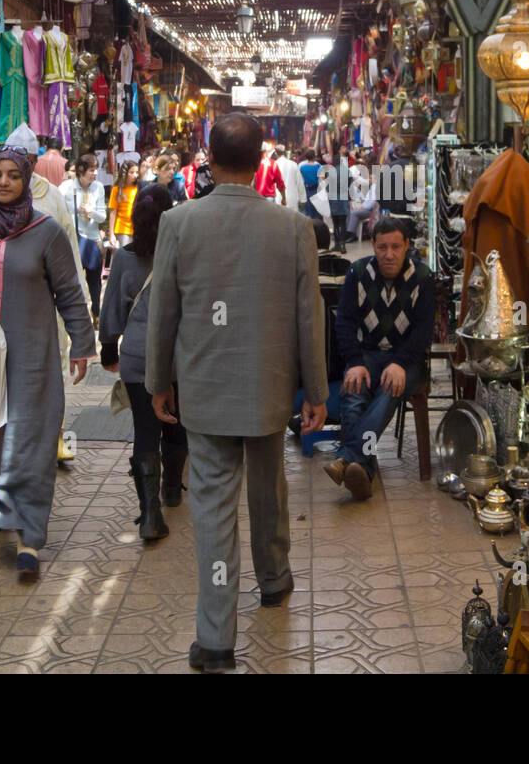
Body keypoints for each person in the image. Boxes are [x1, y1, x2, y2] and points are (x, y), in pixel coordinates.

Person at [146, 113, 327, 671]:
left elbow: (163, 313)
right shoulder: (292, 227)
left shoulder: (178, 222)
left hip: (204, 387)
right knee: (269, 485)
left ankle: (216, 638)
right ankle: (274, 579)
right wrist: (316, 389)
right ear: (260, 162)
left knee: (213, 506)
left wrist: (158, 381)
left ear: (208, 155)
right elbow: (308, 316)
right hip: (268, 385)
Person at [0, 145, 95, 582]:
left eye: (14, 175)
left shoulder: (46, 232)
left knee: (30, 439)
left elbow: (69, 291)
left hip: (32, 353)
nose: (5, 182)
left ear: (27, 179)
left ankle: (30, 538)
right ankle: (5, 500)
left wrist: (82, 343)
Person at [0, 123, 91, 465]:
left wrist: (81, 305)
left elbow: (69, 255)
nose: (6, 181)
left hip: (38, 308)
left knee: (47, 372)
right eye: (0, 172)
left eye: (23, 164)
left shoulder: (52, 197)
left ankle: (53, 436)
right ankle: (0, 445)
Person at [99, 184, 186, 540]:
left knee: (145, 430)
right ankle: (172, 488)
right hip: (180, 357)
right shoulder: (182, 252)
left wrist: (108, 348)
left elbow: (112, 310)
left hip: (138, 357)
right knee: (177, 424)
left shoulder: (123, 257)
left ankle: (150, 514)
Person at [328, 217, 434, 501]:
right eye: (383, 247)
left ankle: (348, 457)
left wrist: (399, 363)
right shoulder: (357, 273)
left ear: (407, 246)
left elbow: (423, 332)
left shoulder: (423, 278)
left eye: (396, 247)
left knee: (390, 388)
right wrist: (355, 361)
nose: (389, 254)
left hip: (407, 361)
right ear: (373, 245)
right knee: (354, 389)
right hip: (368, 355)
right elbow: (344, 323)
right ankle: (361, 471)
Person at [61, 153, 107, 325]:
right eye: (92, 170)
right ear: (81, 171)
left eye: (96, 170)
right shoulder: (66, 188)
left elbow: (102, 216)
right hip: (73, 240)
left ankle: (96, 312)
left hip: (92, 239)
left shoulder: (99, 188)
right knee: (73, 281)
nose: (95, 174)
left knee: (94, 282)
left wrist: (90, 212)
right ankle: (74, 316)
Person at [108, 159, 140, 246]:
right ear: (125, 173)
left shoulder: (138, 188)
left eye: (137, 172)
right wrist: (111, 234)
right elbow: (113, 212)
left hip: (136, 229)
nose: (135, 175)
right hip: (122, 229)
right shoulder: (117, 189)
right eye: (132, 172)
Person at [326, 141, 350, 254]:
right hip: (344, 199)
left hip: (334, 200)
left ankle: (336, 244)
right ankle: (343, 245)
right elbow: (350, 182)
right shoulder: (346, 170)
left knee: (335, 223)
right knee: (343, 223)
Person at [274, 145, 304, 213]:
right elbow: (299, 182)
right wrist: (303, 199)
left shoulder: (274, 165)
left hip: (278, 199)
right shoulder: (293, 164)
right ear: (284, 152)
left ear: (276, 153)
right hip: (292, 199)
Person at [298, 149, 322, 219]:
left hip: (306, 191)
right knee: (317, 211)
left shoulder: (302, 167)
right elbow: (322, 180)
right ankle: (316, 228)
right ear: (314, 157)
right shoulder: (319, 166)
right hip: (316, 190)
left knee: (308, 212)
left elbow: (301, 180)